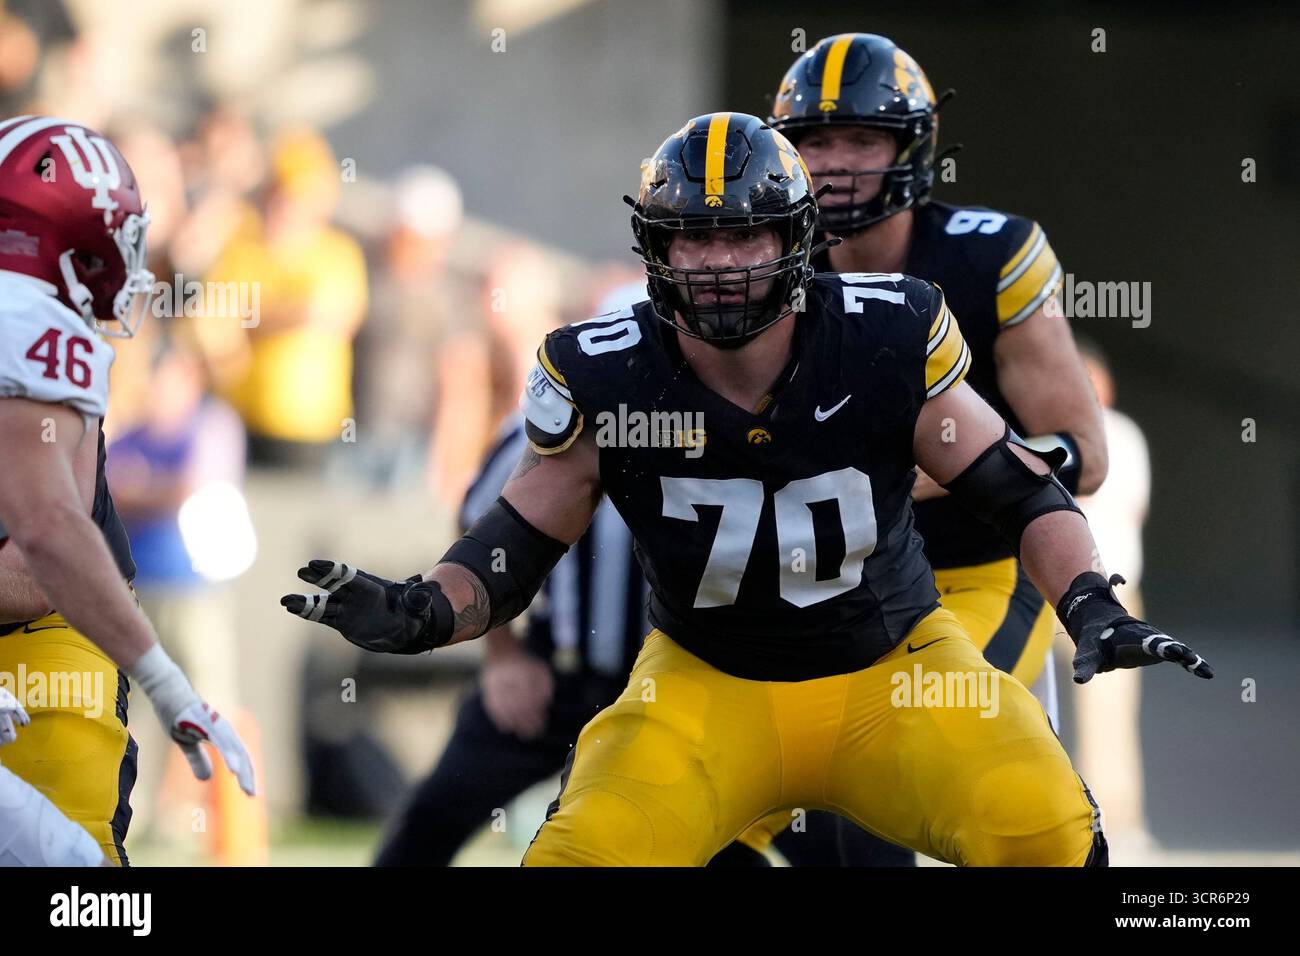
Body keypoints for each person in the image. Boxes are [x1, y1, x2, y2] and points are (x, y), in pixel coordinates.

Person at [284, 112, 1210, 866]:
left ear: (794, 237)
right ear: (657, 249)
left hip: (895, 673)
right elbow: (513, 546)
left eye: (742, 234)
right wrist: (420, 610)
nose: (718, 262)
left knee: (1043, 823)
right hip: (706, 686)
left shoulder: (888, 334)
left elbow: (1024, 492)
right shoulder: (606, 370)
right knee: (582, 856)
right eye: (693, 239)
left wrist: (1090, 603)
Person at [0, 115, 254, 866]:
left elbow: (39, 558)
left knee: (73, 878)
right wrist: (166, 680)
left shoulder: (41, 335)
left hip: (48, 627)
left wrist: (162, 679)